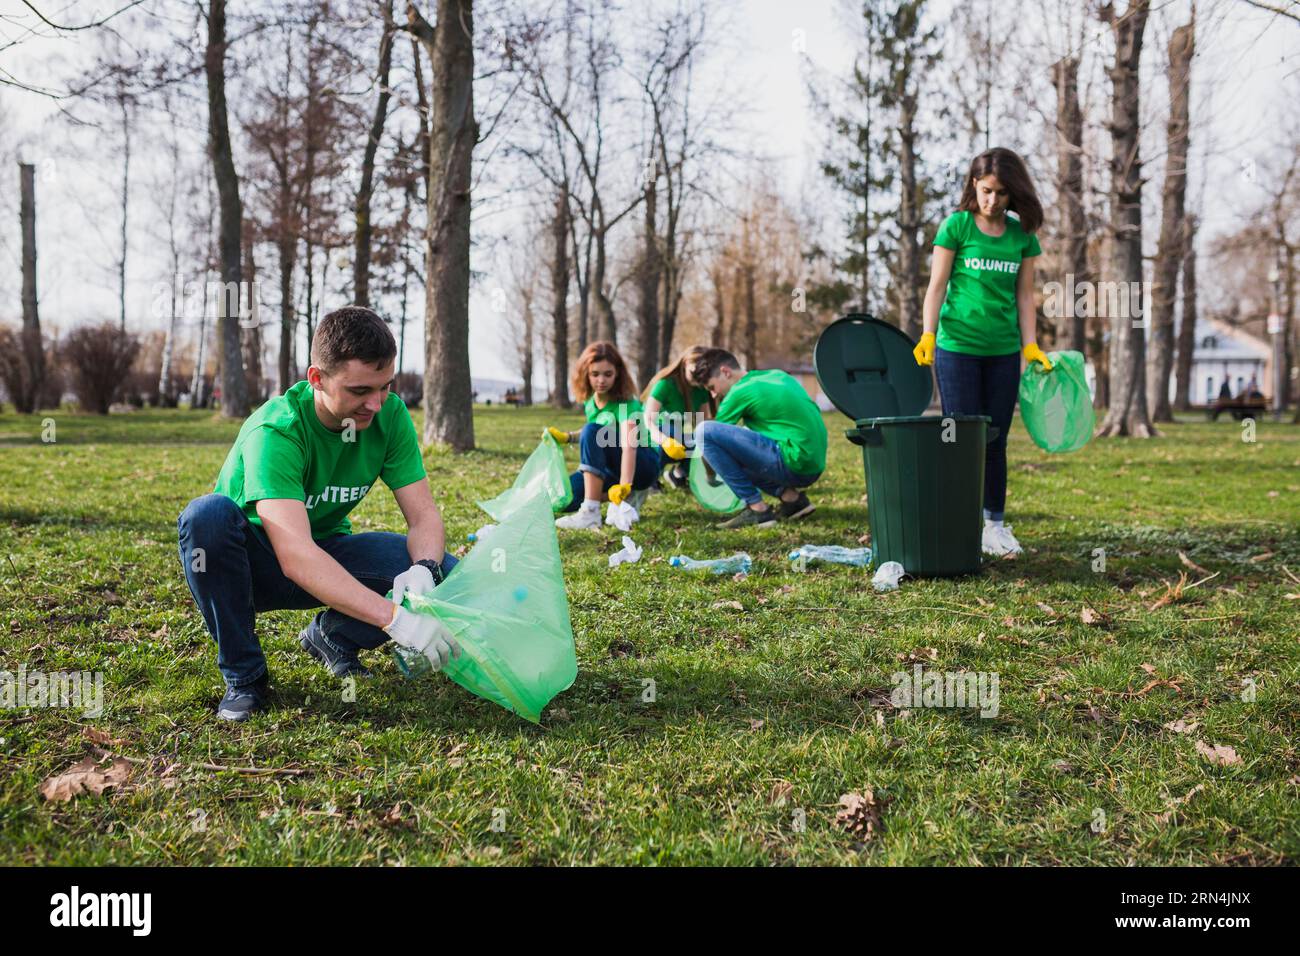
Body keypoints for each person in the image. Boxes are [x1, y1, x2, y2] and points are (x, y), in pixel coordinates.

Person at [177, 306, 460, 722]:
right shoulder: (276, 431)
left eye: (385, 387)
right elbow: (294, 557)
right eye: (360, 390)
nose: (376, 404)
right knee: (206, 517)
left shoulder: (391, 416)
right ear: (317, 379)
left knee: (446, 572)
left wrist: (425, 568)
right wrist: (394, 618)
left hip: (326, 553)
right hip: (253, 567)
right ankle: (245, 678)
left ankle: (333, 636)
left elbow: (424, 516)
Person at [913, 147, 1052, 558]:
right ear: (975, 185)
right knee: (959, 438)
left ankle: (994, 526)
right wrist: (927, 334)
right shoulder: (957, 227)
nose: (993, 201)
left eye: (1002, 194)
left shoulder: (1021, 236)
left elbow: (1025, 297)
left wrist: (1030, 345)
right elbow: (936, 286)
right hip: (957, 348)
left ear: (1013, 195)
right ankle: (960, 524)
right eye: (987, 191)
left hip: (1003, 351)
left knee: (996, 440)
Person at [689, 348, 827, 529]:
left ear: (725, 372)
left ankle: (757, 509)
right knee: (740, 441)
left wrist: (709, 476)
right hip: (813, 463)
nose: (714, 395)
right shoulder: (775, 375)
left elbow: (710, 441)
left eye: (712, 388)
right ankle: (793, 501)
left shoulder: (739, 391)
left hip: (795, 462)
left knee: (703, 431)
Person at [548, 341, 660, 531]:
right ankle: (605, 497)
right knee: (565, 497)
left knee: (593, 430)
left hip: (643, 464)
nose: (601, 380)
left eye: (608, 374)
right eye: (595, 374)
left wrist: (625, 484)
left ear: (617, 374)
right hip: (612, 467)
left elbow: (629, 446)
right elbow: (598, 432)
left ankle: (592, 512)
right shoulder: (591, 402)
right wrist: (567, 437)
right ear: (586, 374)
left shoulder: (627, 403)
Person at [640, 346, 715, 489]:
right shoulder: (665, 384)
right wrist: (665, 440)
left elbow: (703, 425)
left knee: (701, 438)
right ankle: (651, 479)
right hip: (650, 436)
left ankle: (678, 475)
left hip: (677, 436)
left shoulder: (700, 390)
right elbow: (648, 421)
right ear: (685, 364)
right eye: (695, 372)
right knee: (670, 430)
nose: (699, 377)